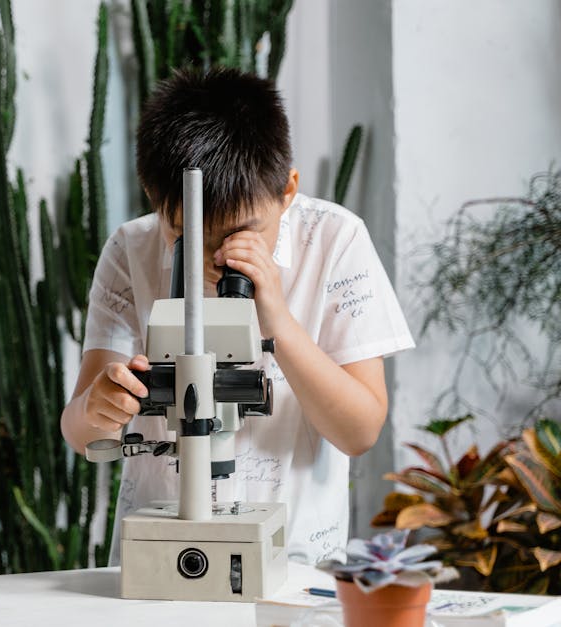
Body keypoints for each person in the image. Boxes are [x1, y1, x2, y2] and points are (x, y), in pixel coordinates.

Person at [60, 68, 414, 565]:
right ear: (154, 198)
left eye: (242, 232)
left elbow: (360, 432)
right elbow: (81, 432)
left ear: (287, 191)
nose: (213, 256)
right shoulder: (130, 250)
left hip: (294, 556)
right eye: (187, 235)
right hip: (158, 554)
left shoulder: (335, 240)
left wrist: (278, 320)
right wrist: (99, 409)